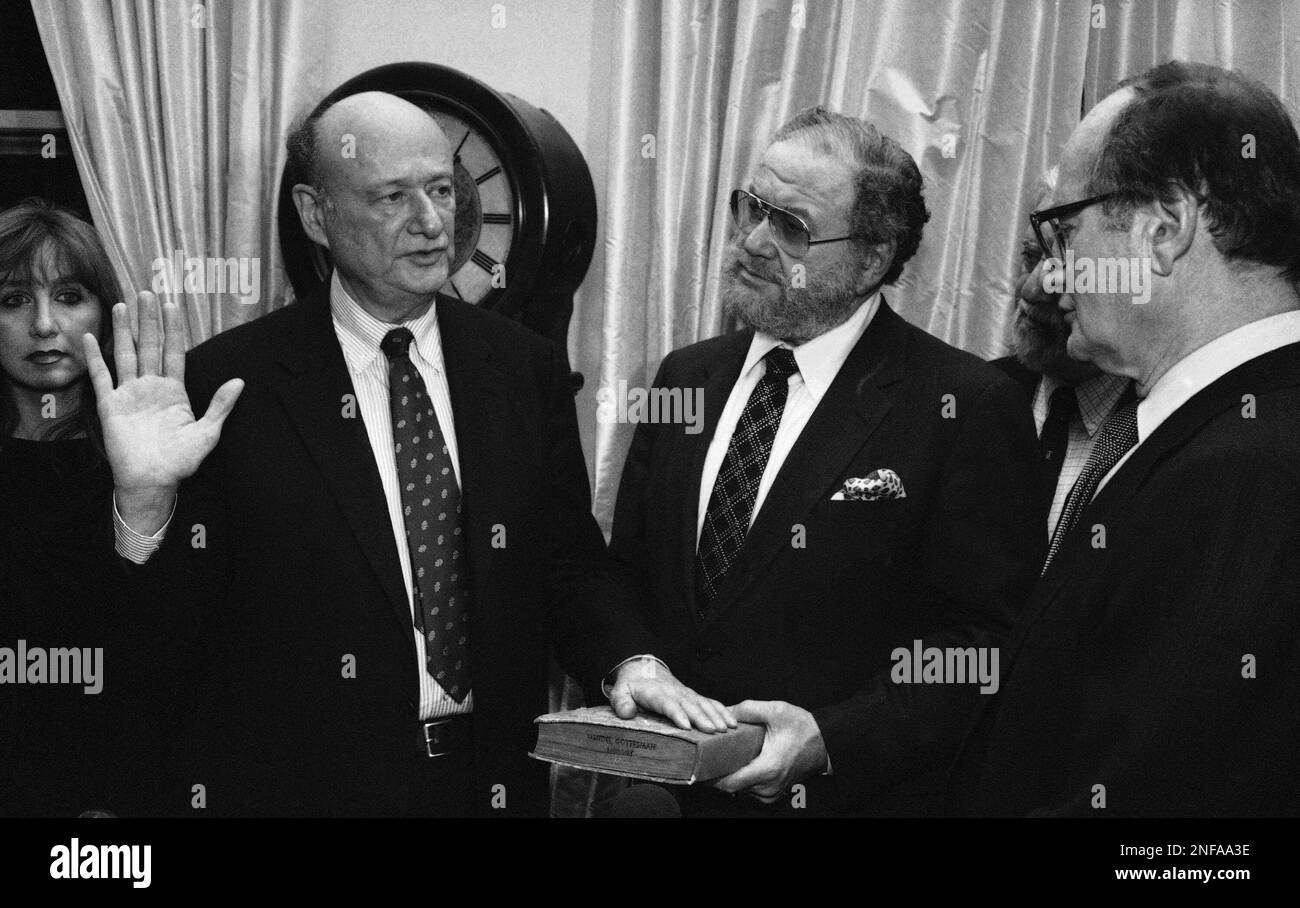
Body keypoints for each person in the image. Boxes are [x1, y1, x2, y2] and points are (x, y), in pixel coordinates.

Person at [90, 91, 729, 817]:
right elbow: (160, 642)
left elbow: (565, 560)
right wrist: (144, 505)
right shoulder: (229, 384)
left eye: (442, 189)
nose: (433, 224)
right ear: (314, 213)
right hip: (297, 793)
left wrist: (631, 661)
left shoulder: (524, 370)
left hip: (487, 785)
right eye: (392, 197)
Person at [609, 106, 1042, 816]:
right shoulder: (685, 375)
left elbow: (980, 644)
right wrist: (632, 661)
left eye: (792, 227)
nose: (751, 241)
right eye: (752, 206)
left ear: (872, 257)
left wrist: (829, 738)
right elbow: (623, 573)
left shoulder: (965, 405)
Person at [954, 61, 1300, 816]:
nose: (1051, 271)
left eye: (1065, 230)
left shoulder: (1246, 471)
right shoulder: (1218, 431)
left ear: (1164, 231)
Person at [0, 199, 168, 816]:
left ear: (105, 309)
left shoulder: (159, 457)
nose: (44, 325)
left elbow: (178, 648)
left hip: (132, 793)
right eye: (14, 300)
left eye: (69, 296)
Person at [991, 168, 1129, 539]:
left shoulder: (1156, 425)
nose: (1031, 290)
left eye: (1063, 272)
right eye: (1030, 257)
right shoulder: (979, 398)